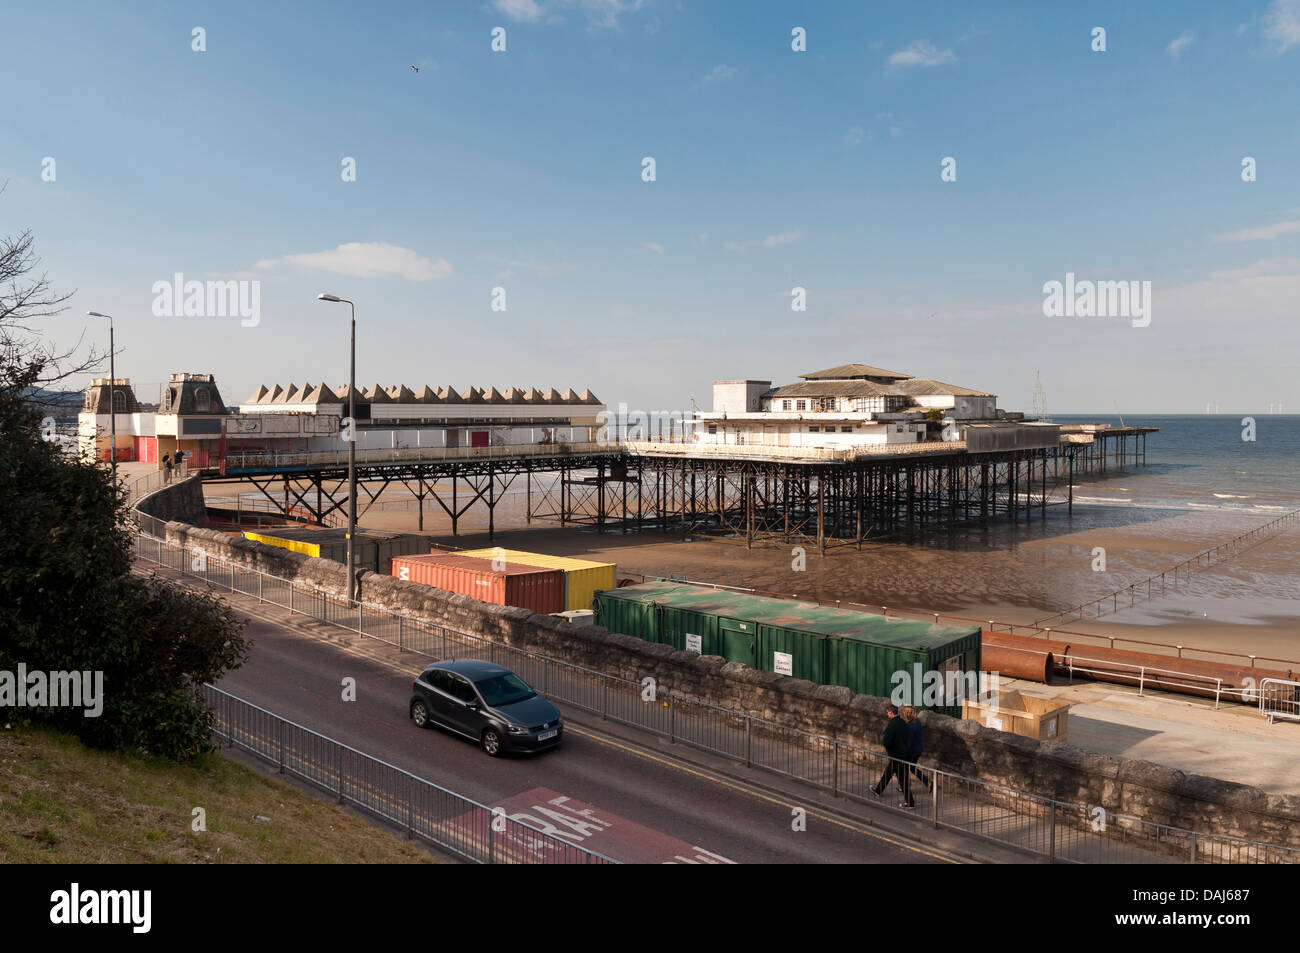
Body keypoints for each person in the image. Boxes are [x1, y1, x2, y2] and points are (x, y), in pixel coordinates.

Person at [871, 704, 915, 808]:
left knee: (902, 780)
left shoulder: (892, 724)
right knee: (888, 773)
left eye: (887, 713)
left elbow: (886, 741)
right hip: (902, 754)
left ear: (891, 713)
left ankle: (910, 803)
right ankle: (878, 790)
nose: (887, 715)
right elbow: (908, 738)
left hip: (896, 755)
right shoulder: (903, 723)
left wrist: (890, 750)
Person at [903, 706, 930, 791]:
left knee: (906, 769)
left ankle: (906, 787)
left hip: (912, 752)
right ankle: (927, 782)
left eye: (904, 712)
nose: (903, 714)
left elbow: (909, 742)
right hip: (918, 750)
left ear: (907, 714)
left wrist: (904, 752)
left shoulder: (910, 726)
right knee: (912, 768)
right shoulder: (917, 722)